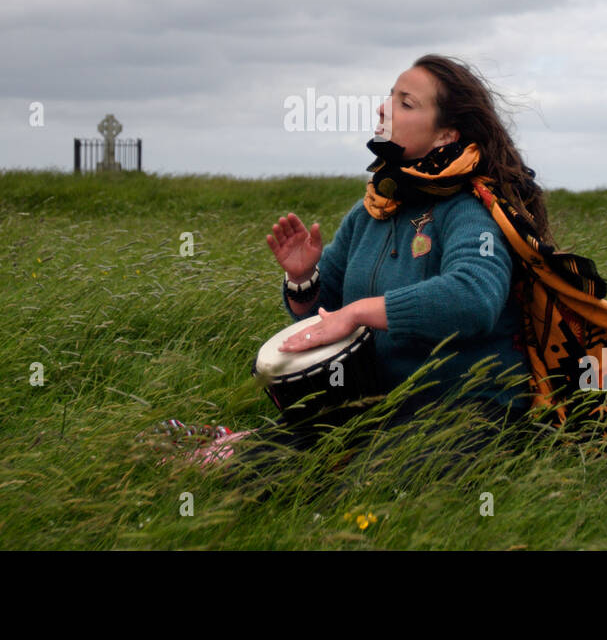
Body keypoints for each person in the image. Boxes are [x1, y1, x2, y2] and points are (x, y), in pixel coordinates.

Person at [214, 54, 560, 484]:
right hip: (382, 403)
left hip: (467, 408)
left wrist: (360, 312)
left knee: (360, 484)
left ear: (446, 134)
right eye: (389, 98)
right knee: (247, 472)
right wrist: (304, 281)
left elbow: (474, 299)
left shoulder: (472, 210)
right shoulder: (371, 211)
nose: (383, 109)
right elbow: (325, 316)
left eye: (405, 103)